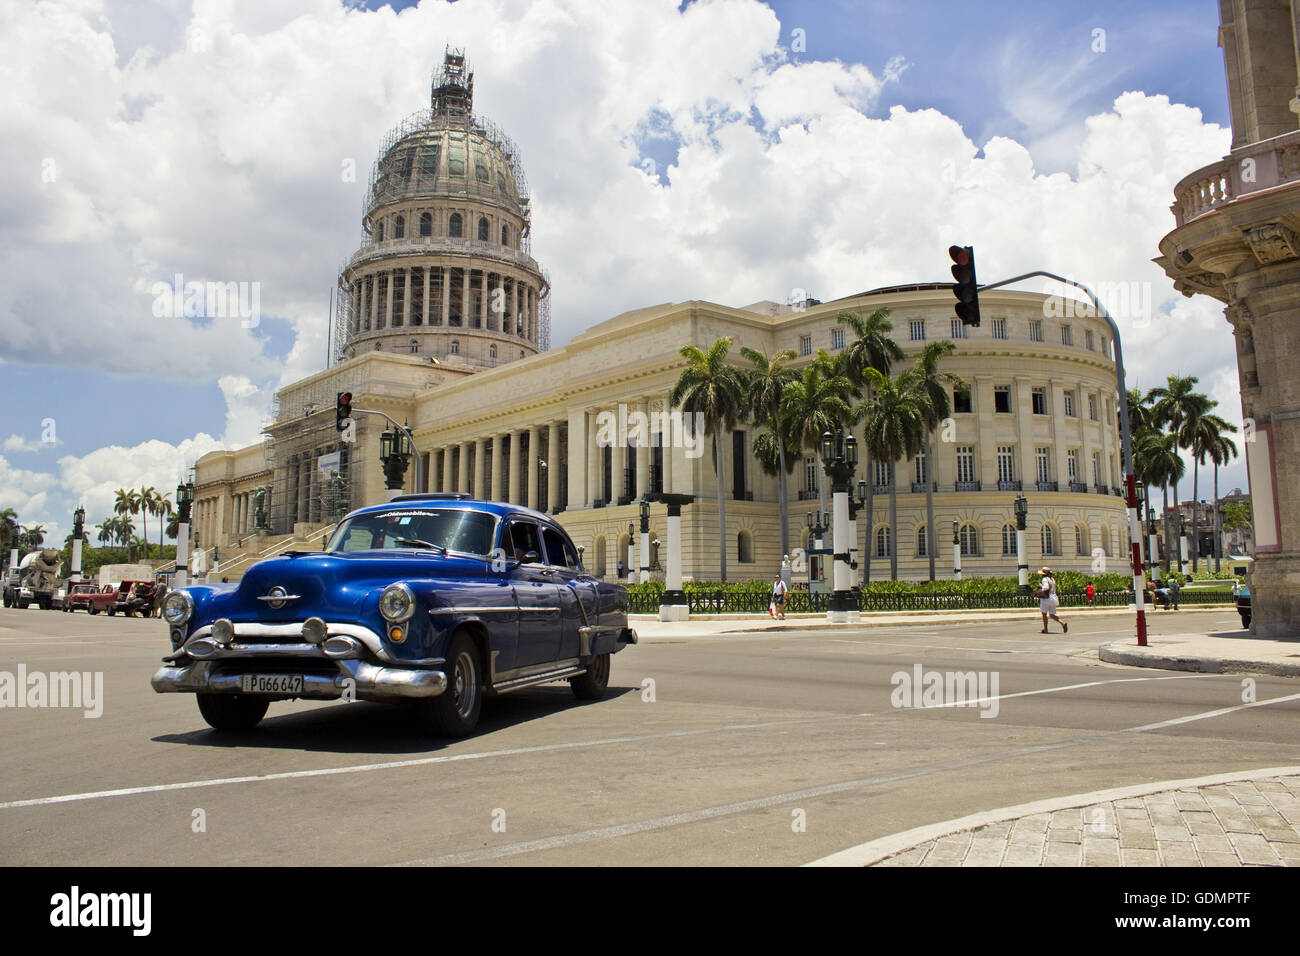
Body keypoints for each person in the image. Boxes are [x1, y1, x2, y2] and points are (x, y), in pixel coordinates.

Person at [1037, 567, 1067, 634]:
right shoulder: (1052, 579)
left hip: (1046, 598)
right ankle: (1062, 623)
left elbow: (1046, 587)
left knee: (1044, 614)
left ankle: (1045, 629)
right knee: (1052, 614)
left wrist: (1041, 586)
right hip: (1053, 598)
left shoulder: (1045, 579)